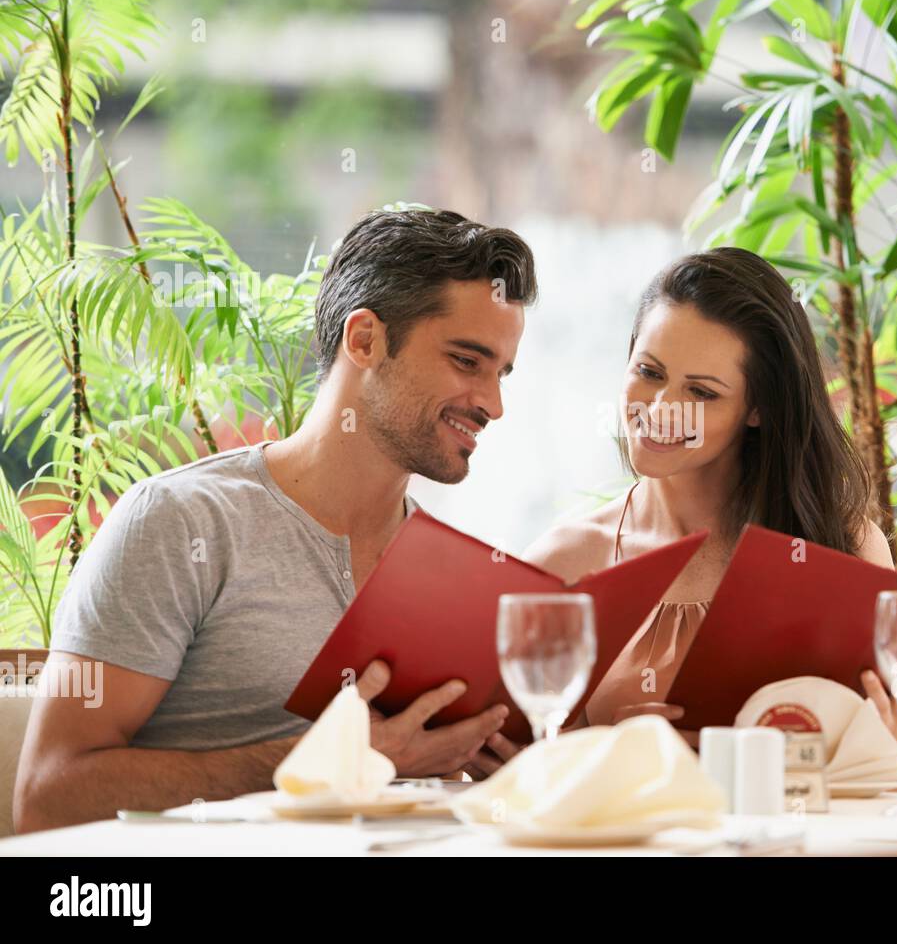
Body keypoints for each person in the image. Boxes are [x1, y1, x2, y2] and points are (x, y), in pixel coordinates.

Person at [15, 209, 535, 832]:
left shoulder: (454, 576)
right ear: (364, 340)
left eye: (501, 372)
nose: (494, 404)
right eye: (466, 361)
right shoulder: (183, 524)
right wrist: (328, 762)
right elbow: (47, 796)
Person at [525, 248, 897, 744]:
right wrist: (598, 747)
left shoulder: (842, 546)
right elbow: (517, 775)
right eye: (649, 372)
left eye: (701, 393)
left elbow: (889, 756)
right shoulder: (564, 563)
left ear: (758, 409)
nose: (662, 408)